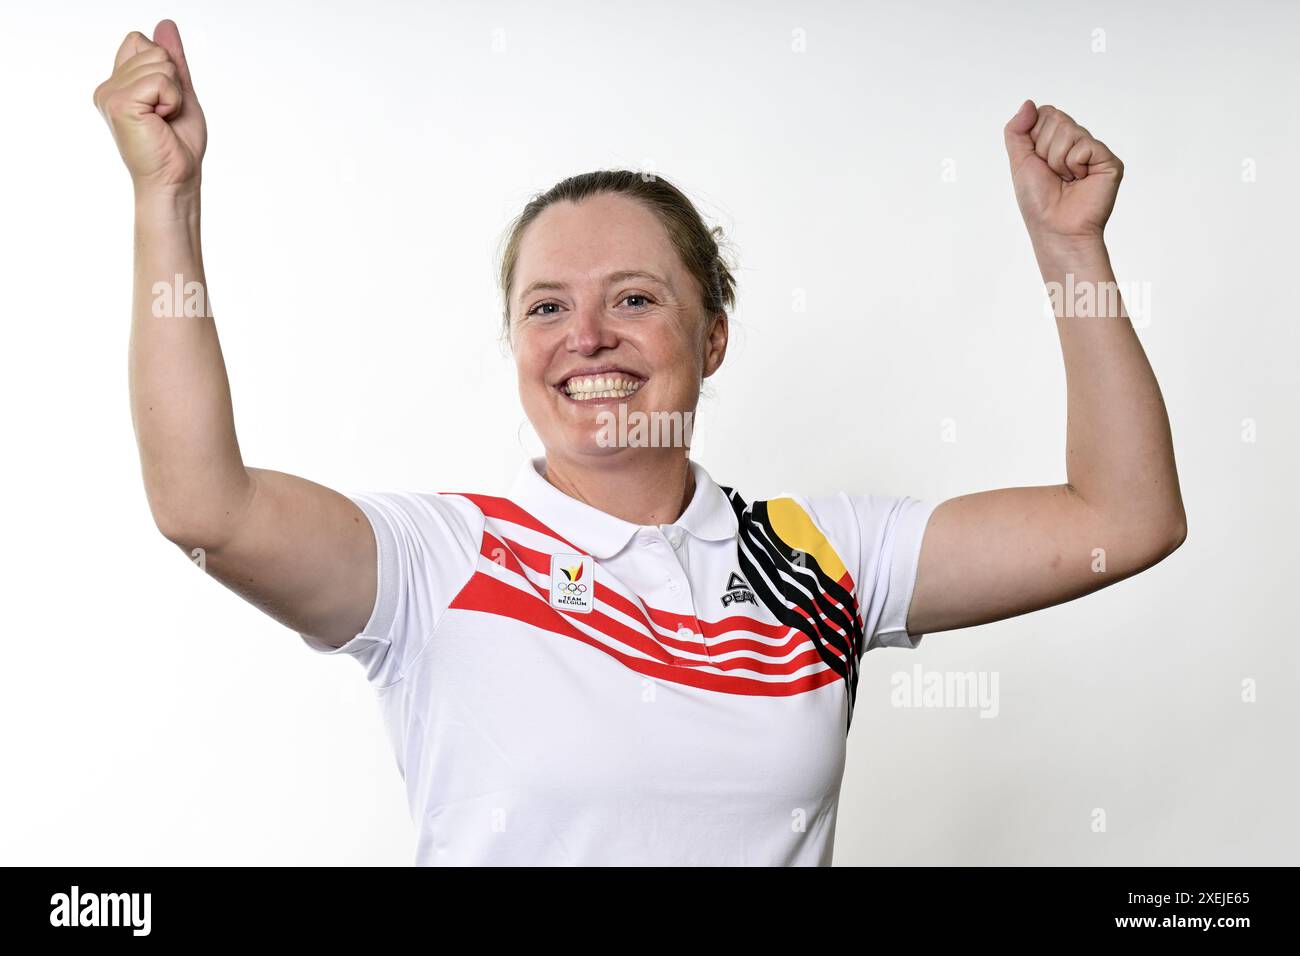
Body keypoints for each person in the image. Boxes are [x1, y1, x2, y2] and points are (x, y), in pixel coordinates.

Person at [93, 20, 1187, 866]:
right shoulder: (442, 559)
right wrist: (167, 196)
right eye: (544, 307)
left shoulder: (822, 561)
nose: (588, 338)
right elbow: (204, 505)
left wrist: (1070, 247)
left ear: (711, 337)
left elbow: (1121, 520)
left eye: (633, 297)